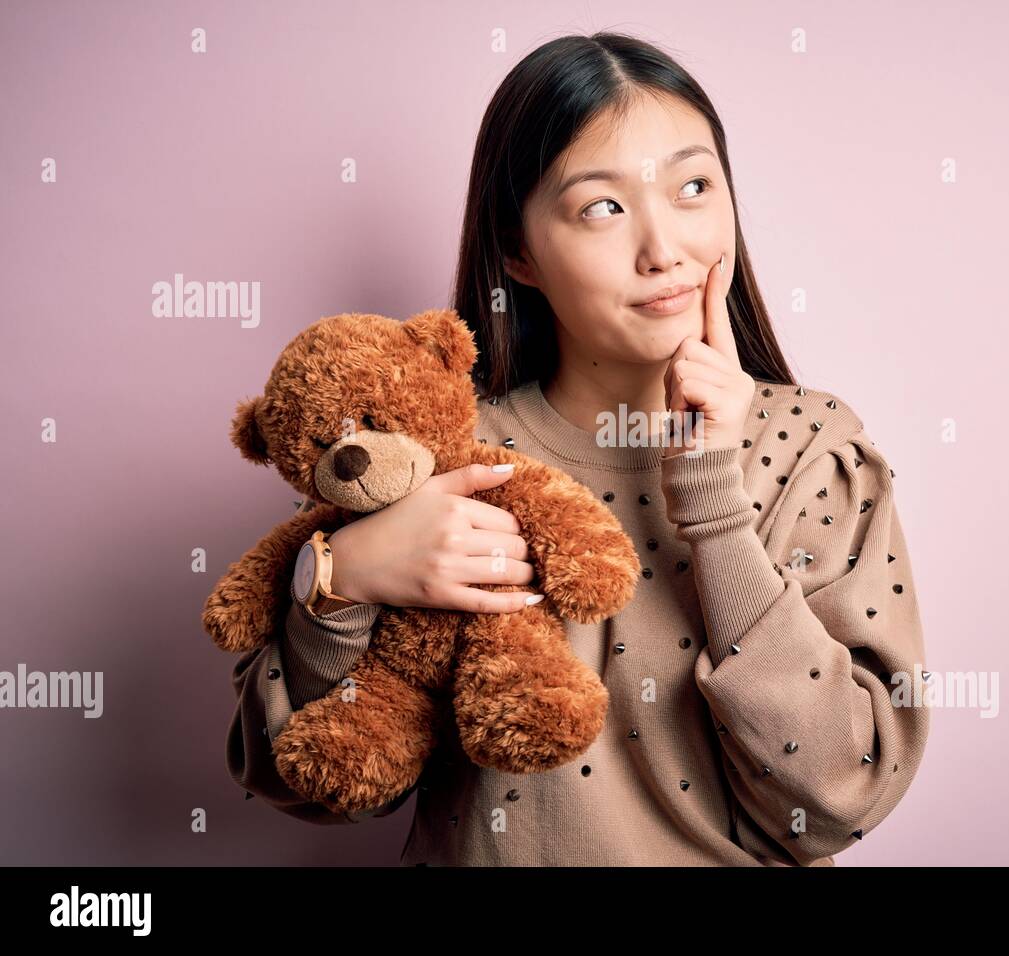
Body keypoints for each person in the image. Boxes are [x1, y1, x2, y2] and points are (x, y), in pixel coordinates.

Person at [226, 31, 930, 867]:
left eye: (694, 186)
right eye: (602, 205)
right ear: (518, 251)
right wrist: (341, 584)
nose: (664, 249)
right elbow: (302, 782)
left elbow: (842, 791)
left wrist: (712, 499)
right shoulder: (433, 457)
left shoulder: (810, 451)